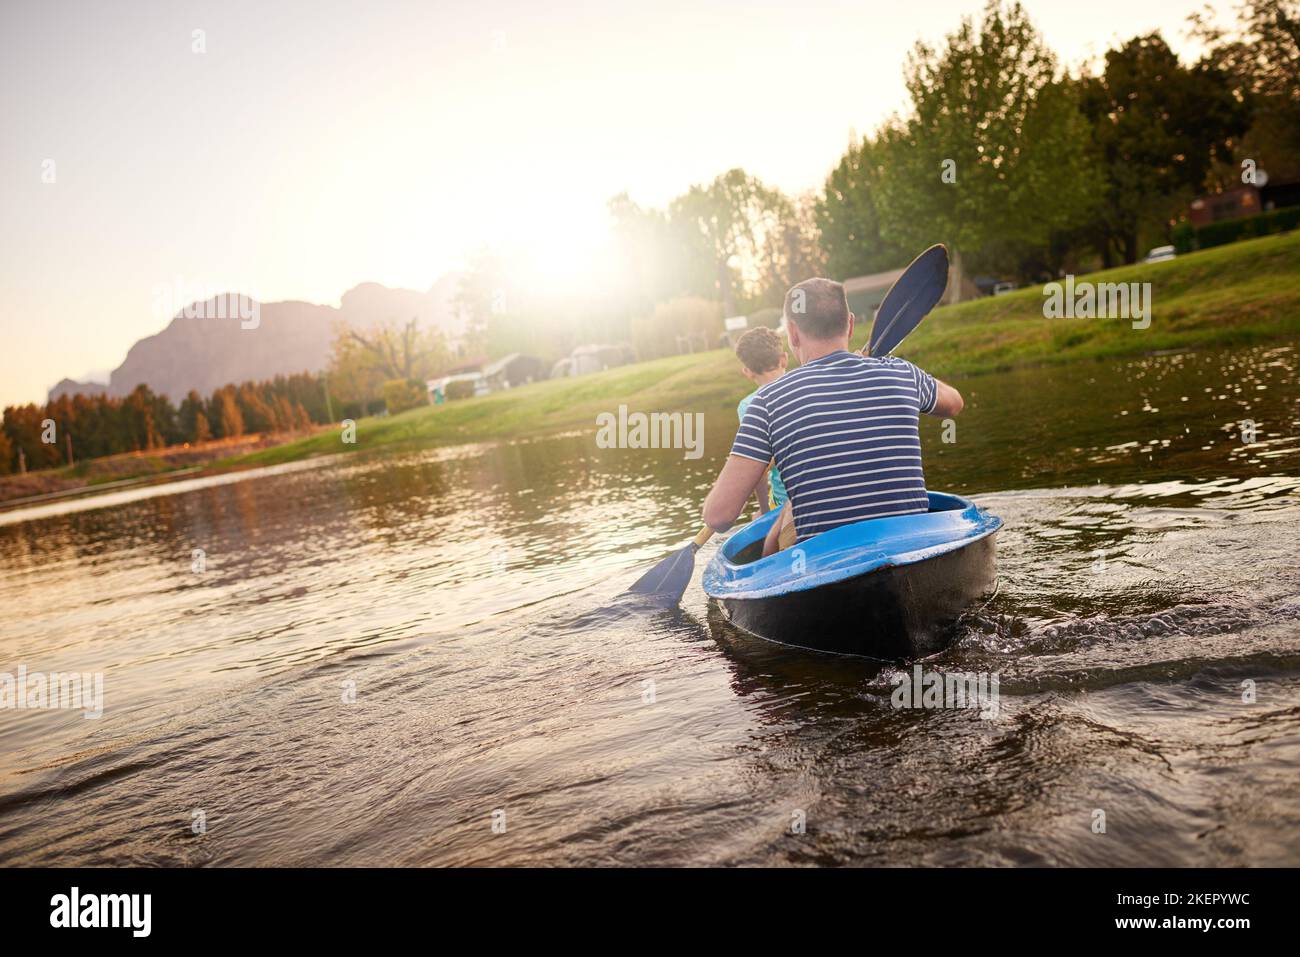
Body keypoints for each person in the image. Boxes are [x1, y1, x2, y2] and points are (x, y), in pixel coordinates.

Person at [702, 277, 964, 556]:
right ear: (850, 324)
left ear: (792, 333)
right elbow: (954, 404)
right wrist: (884, 369)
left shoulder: (766, 402)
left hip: (826, 561)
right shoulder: (902, 373)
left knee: (783, 518)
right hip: (912, 547)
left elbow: (719, 516)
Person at [733, 326, 789, 514]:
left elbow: (757, 467)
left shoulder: (749, 406)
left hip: (783, 501)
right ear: (784, 359)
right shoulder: (806, 385)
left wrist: (764, 511)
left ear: (747, 372)